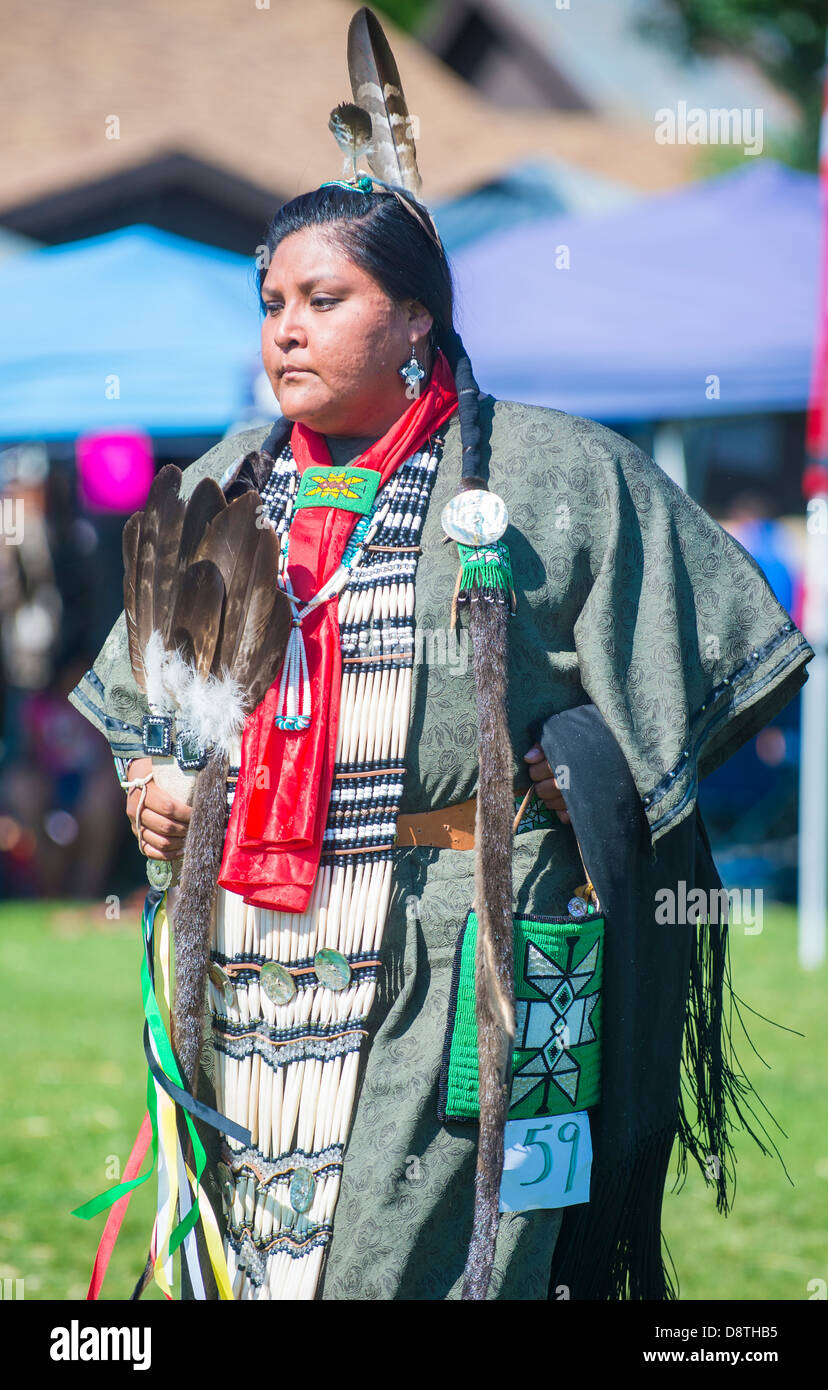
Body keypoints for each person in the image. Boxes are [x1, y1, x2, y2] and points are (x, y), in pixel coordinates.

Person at [68, 9, 813, 1303]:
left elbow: (734, 652)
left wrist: (575, 771)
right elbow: (144, 692)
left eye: (323, 299)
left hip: (472, 950)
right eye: (271, 303)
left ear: (414, 317)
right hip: (256, 949)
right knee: (266, 1265)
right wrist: (153, 777)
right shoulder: (229, 481)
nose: (284, 329)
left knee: (431, 1266)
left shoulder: (544, 473)